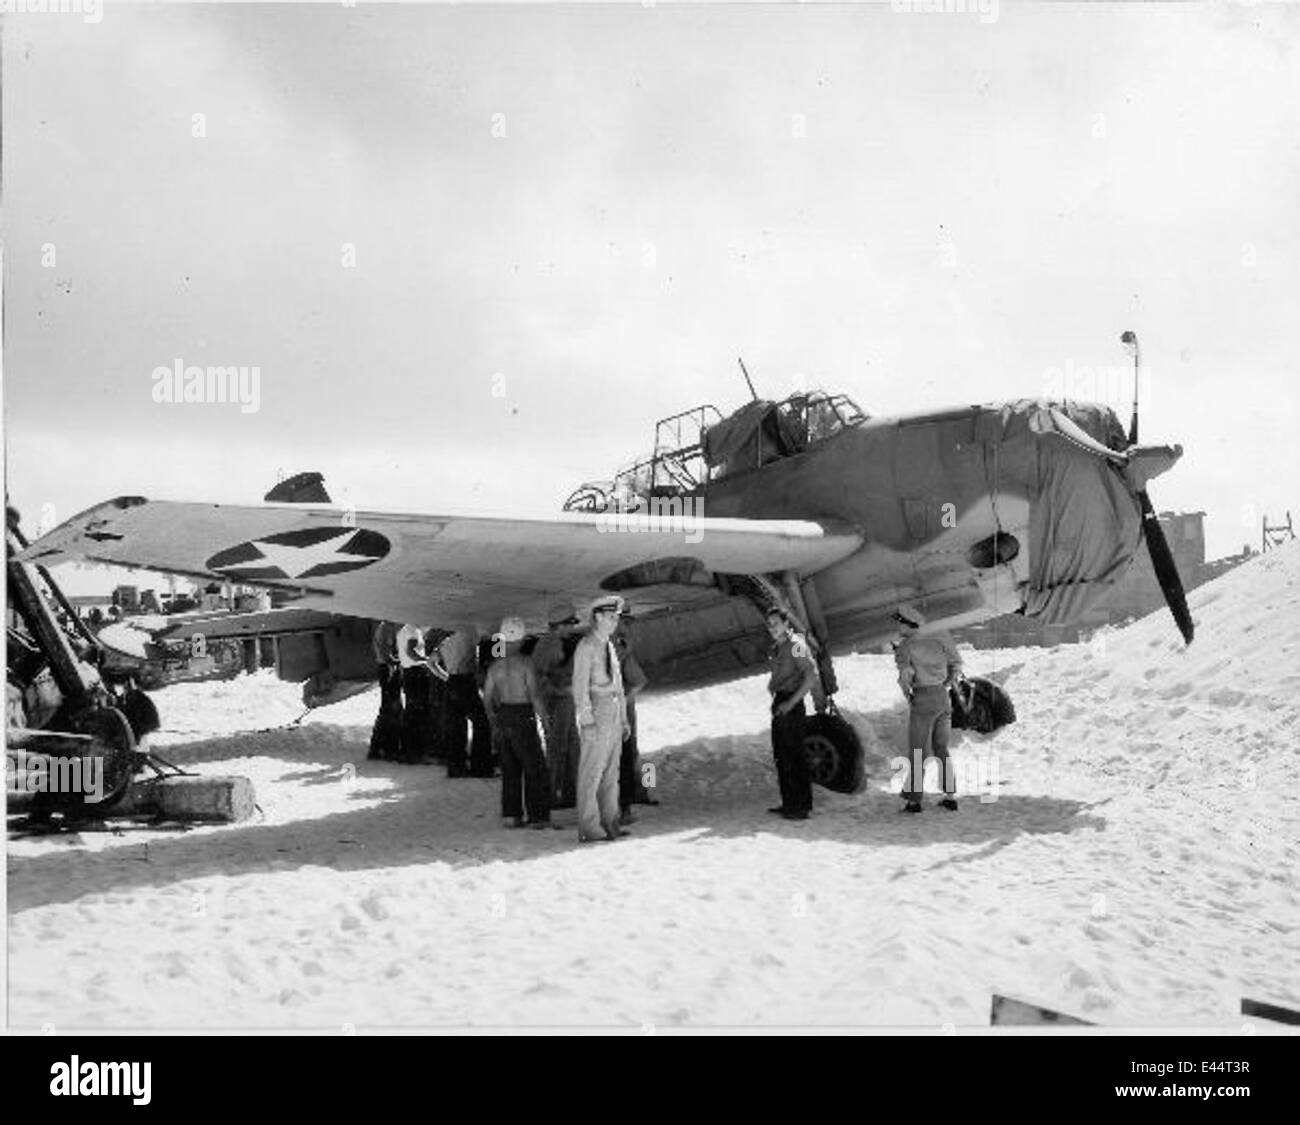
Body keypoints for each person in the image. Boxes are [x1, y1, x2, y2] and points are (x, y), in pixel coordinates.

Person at [482, 617, 555, 829]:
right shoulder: (526, 663)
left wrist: (493, 720)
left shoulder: (495, 666)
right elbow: (535, 696)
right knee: (535, 768)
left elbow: (487, 699)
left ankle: (511, 815)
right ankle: (538, 817)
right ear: (522, 639)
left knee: (510, 768)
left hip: (504, 713)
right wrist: (546, 723)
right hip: (523, 714)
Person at [572, 595, 630, 843]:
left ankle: (610, 823)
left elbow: (618, 684)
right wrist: (586, 720)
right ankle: (590, 827)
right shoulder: (586, 647)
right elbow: (580, 686)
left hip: (613, 711)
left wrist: (624, 719)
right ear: (597, 617)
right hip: (597, 708)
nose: (614, 621)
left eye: (616, 617)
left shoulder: (608, 645)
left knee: (611, 772)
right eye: (610, 616)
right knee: (591, 772)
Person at [893, 603, 962, 813]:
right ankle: (950, 796)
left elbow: (906, 675)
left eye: (899, 622)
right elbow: (955, 666)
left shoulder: (905, 646)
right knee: (941, 749)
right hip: (943, 697)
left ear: (907, 625)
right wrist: (945, 685)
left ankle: (914, 801)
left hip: (923, 697)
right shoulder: (936, 641)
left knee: (917, 752)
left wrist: (909, 694)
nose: (897, 627)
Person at [765, 607, 820, 820]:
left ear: (786, 624)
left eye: (776, 623)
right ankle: (789, 804)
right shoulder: (778, 647)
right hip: (781, 703)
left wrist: (789, 704)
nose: (772, 628)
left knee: (795, 756)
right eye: (769, 624)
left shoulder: (796, 645)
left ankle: (801, 807)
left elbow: (810, 676)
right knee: (782, 757)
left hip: (791, 704)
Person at [533, 602, 581, 808]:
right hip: (555, 703)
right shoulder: (548, 645)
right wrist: (560, 690)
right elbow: (538, 678)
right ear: (560, 625)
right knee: (557, 748)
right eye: (570, 624)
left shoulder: (557, 642)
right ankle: (552, 795)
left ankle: (570, 794)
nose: (572, 628)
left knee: (571, 747)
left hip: (564, 702)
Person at [436, 626, 494, 778]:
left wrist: (446, 677)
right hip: (466, 681)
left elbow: (431, 663)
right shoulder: (470, 634)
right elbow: (491, 639)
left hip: (451, 683)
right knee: (482, 723)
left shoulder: (445, 642)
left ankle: (456, 767)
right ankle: (481, 766)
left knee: (456, 726)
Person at [614, 619, 653, 825]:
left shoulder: (592, 650)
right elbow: (640, 681)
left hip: (606, 714)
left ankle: (641, 792)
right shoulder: (622, 653)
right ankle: (640, 795)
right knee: (630, 755)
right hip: (623, 714)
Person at [395, 623, 435, 763]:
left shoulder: (403, 631)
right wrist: (425, 660)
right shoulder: (413, 631)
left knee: (411, 712)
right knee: (420, 712)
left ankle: (408, 750)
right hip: (416, 672)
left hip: (407, 672)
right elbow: (410, 651)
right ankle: (419, 751)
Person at [367, 621, 403, 761]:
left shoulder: (386, 627)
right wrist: (396, 663)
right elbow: (385, 651)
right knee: (390, 709)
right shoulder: (386, 628)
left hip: (388, 668)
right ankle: (385, 748)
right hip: (388, 669)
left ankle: (381, 748)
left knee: (390, 708)